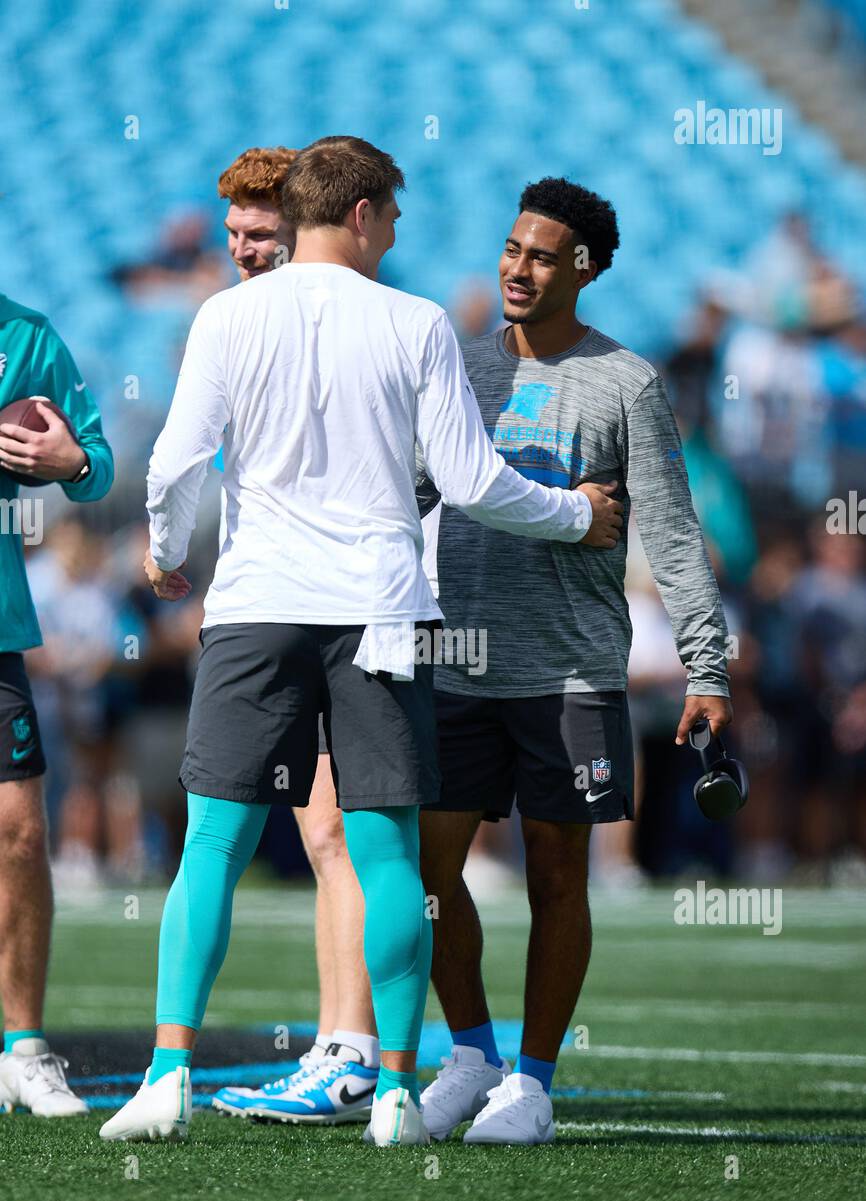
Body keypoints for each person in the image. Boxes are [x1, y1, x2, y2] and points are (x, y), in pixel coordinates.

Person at [99, 137, 621, 1147]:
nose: (396, 232)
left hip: (256, 603)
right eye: (394, 216)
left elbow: (174, 464)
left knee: (212, 843)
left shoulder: (225, 313)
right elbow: (469, 484)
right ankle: (390, 1090)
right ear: (367, 210)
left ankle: (167, 1076)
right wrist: (572, 515)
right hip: (382, 607)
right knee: (384, 851)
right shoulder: (416, 321)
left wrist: (166, 553)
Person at [417, 178, 732, 1144]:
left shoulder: (628, 381)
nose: (518, 267)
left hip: (571, 670)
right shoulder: (459, 368)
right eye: (512, 249)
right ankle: (472, 1054)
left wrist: (707, 668)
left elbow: (673, 532)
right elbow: (400, 493)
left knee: (558, 877)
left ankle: (535, 1084)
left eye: (543, 255)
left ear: (584, 268)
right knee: (428, 875)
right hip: (455, 662)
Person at [212, 146, 379, 1125]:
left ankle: (356, 1050)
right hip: (295, 605)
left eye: (260, 235)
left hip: (350, 607)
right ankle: (342, 1044)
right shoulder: (255, 319)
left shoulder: (343, 321)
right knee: (326, 832)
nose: (243, 250)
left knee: (348, 836)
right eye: (233, 233)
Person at [0, 293, 114, 1116]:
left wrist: (69, 462)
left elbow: (97, 463)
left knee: (20, 829)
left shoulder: (27, 335)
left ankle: (24, 1050)